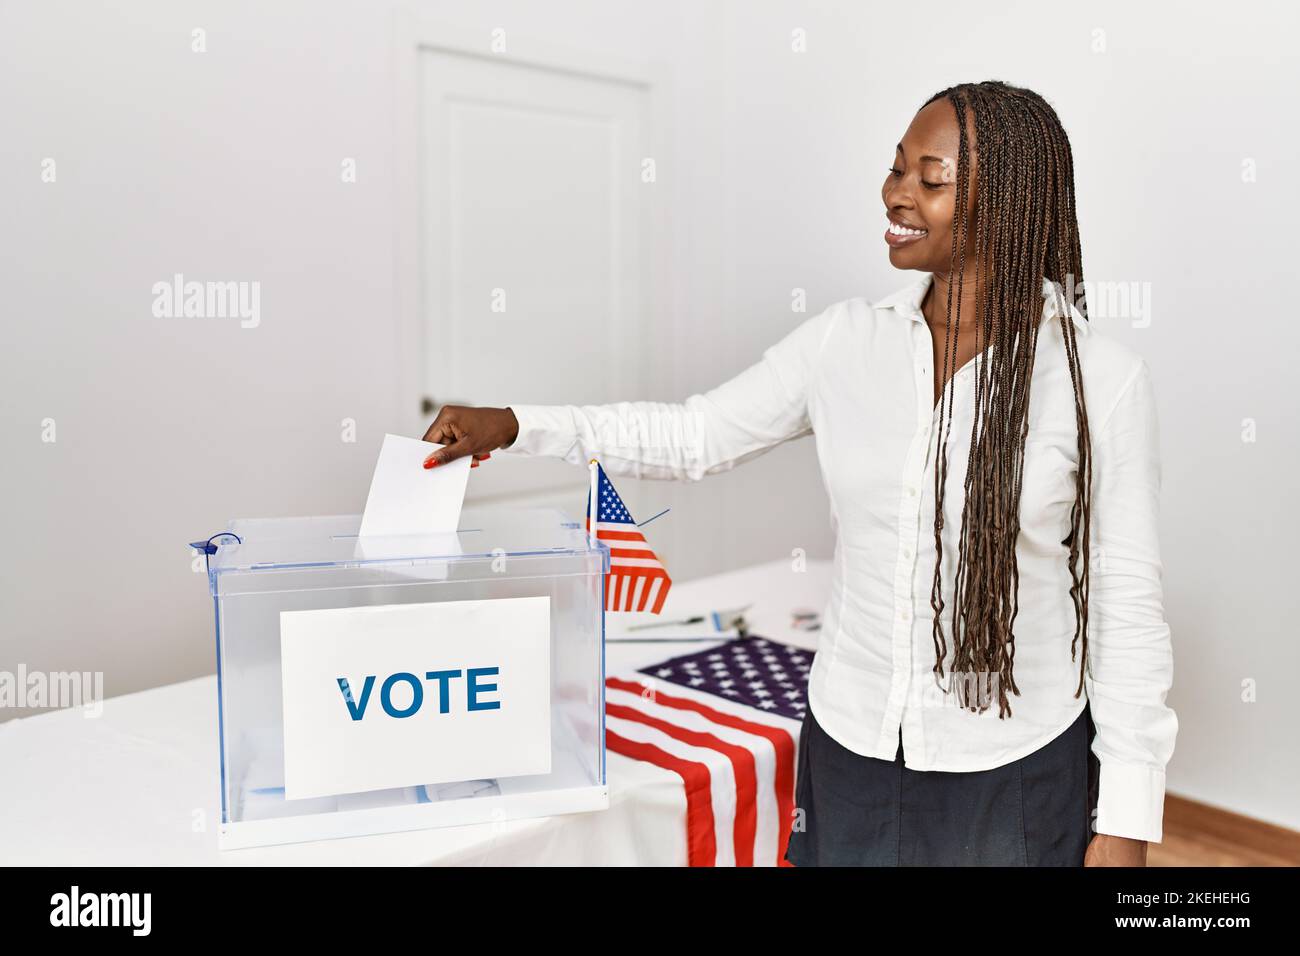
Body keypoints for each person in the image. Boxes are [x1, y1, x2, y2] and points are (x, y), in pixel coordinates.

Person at [418, 80, 1178, 867]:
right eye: (894, 170)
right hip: (850, 752)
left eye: (930, 177)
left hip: (1015, 766)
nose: (896, 194)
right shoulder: (845, 344)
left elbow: (1126, 609)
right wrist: (516, 424)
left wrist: (1126, 818)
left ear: (1008, 202)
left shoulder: (1100, 380)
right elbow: (695, 434)